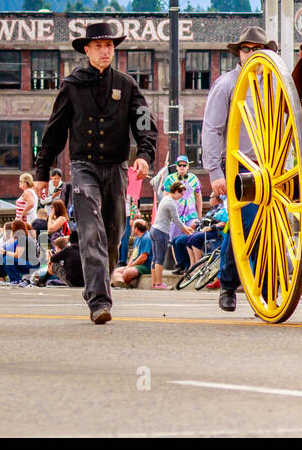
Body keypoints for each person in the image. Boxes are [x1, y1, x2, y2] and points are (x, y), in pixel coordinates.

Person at [35, 21, 156, 324]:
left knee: (114, 234)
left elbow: (144, 124)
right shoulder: (72, 85)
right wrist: (41, 171)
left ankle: (94, 287)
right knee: (91, 232)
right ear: (87, 49)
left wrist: (143, 155)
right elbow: (54, 131)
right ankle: (100, 302)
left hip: (117, 168)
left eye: (110, 45)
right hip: (84, 167)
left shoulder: (127, 84)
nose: (105, 51)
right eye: (99, 46)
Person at [202, 26, 279, 312]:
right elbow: (211, 130)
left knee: (270, 227)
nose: (251, 54)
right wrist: (214, 173)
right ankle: (229, 285)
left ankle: (268, 288)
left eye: (257, 49)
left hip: (270, 166)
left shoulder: (275, 83)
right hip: (238, 167)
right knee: (244, 224)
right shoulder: (227, 84)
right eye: (246, 49)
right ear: (239, 53)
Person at [149, 180, 192, 290]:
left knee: (155, 258)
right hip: (161, 231)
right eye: (182, 194)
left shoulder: (166, 198)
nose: (182, 196)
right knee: (160, 258)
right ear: (176, 191)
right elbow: (177, 220)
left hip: (154, 229)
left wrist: (186, 229)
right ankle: (159, 284)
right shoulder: (171, 203)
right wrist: (188, 232)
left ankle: (154, 283)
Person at [111, 220, 152, 288]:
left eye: (132, 227)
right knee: (116, 271)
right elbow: (133, 255)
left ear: (136, 229)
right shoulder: (137, 239)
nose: (131, 229)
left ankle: (122, 283)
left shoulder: (146, 238)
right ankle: (123, 284)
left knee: (127, 272)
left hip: (145, 266)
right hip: (136, 265)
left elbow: (143, 258)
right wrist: (128, 266)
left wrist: (131, 266)